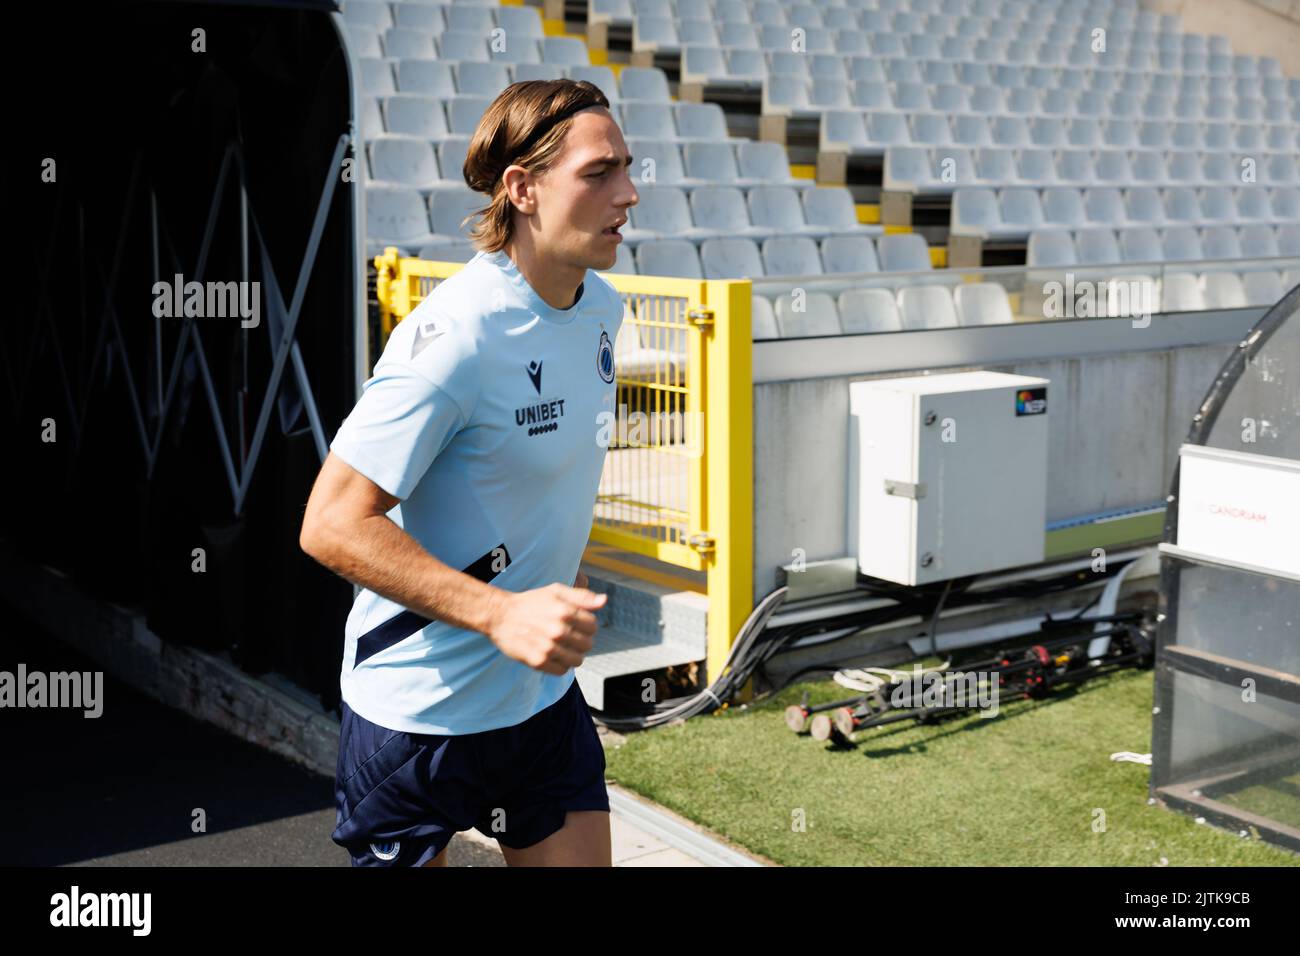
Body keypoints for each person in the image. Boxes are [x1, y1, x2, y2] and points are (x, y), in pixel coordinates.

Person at [299, 79, 638, 867]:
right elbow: (330, 523)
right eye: (598, 173)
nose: (627, 193)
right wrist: (499, 614)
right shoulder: (455, 337)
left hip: (539, 705)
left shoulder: (604, 310)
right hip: (416, 715)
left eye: (626, 167)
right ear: (521, 189)